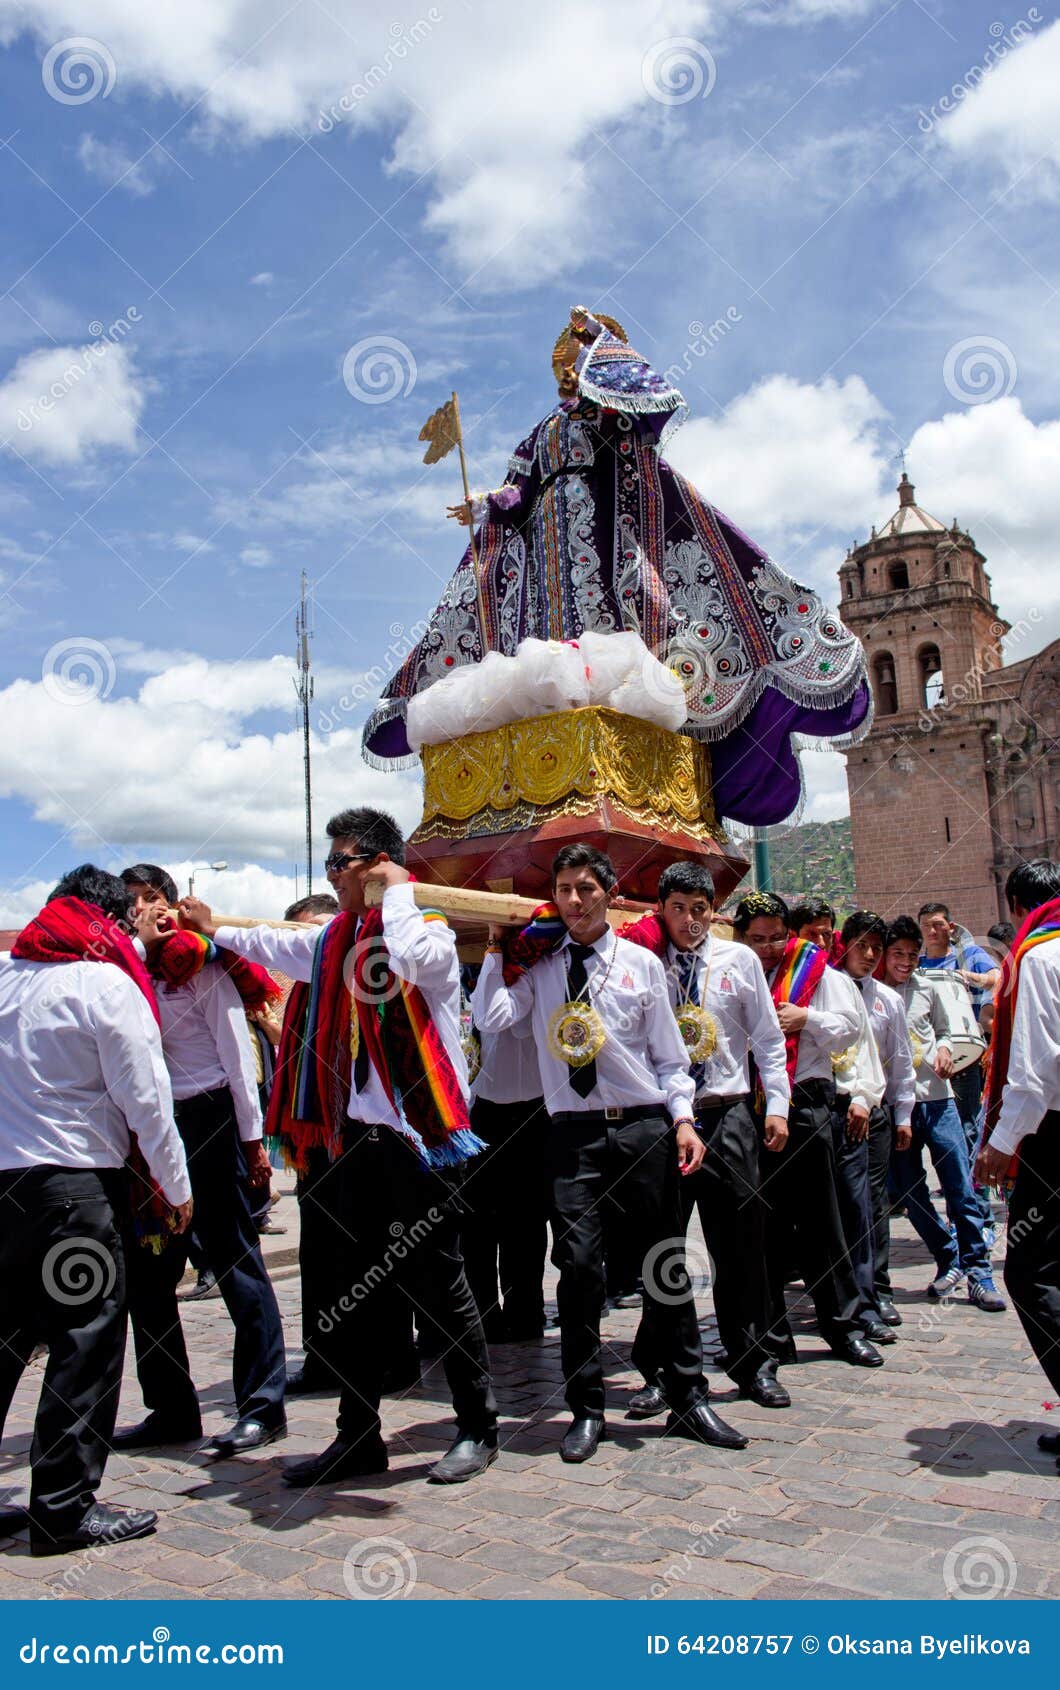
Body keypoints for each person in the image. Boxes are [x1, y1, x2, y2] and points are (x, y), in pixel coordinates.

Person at [363, 306, 869, 830]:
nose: (567, 372)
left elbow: (650, 401)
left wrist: (598, 337)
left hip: (607, 538)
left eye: (577, 363)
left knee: (606, 637)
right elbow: (522, 491)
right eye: (562, 365)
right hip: (545, 551)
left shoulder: (609, 419)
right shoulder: (541, 433)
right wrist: (485, 503)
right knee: (546, 646)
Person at [180, 807, 498, 1487]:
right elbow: (271, 944)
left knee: (439, 1288)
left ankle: (477, 1426)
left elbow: (411, 956)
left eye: (341, 862)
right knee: (352, 1295)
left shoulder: (429, 936)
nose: (331, 873)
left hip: (421, 1143)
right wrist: (215, 929)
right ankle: (359, 1436)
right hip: (351, 1144)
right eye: (329, 863)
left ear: (378, 864)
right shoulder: (332, 943)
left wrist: (400, 889)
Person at [473, 844, 748, 1461]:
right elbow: (490, 1016)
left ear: (608, 893)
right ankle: (586, 1407)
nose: (574, 900)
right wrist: (497, 946)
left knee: (663, 1265)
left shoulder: (641, 965)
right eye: (564, 889)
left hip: (642, 1129)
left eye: (586, 889)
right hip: (569, 1136)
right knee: (577, 1270)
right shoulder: (540, 969)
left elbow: (671, 1059)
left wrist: (682, 1120)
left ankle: (686, 1395)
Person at [0, 866, 191, 1556]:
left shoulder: (5, 976)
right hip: (73, 1191)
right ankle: (62, 1509)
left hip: (5, 1185)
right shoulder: (105, 981)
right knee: (85, 1341)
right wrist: (176, 1185)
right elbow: (146, 1099)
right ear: (112, 921)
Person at [113, 865, 288, 1457]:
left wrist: (252, 1141)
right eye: (133, 902)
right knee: (151, 1276)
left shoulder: (204, 964)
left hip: (210, 1118)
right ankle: (171, 1409)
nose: (146, 910)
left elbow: (237, 1057)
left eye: (154, 898)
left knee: (236, 1261)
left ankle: (262, 1406)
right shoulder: (123, 973)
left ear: (174, 903)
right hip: (152, 1129)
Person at [619, 862, 793, 1409]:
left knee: (741, 1244)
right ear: (661, 910)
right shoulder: (641, 965)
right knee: (664, 1248)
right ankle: (660, 1369)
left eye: (700, 909)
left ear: (713, 912)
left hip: (729, 1113)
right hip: (667, 1121)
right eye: (678, 908)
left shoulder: (738, 960)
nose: (690, 920)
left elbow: (766, 1038)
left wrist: (778, 1106)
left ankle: (753, 1363)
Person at [732, 892, 883, 1370]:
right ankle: (772, 1337)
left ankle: (845, 1326)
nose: (769, 948)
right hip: (752, 1106)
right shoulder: (737, 972)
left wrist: (806, 1018)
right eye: (758, 939)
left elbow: (851, 1028)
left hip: (805, 1104)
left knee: (823, 1222)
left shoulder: (816, 972)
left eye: (777, 937)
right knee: (764, 1228)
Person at [977, 859, 1060, 1462]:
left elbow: (1032, 1072)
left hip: (1052, 1139)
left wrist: (1002, 1144)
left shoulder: (1037, 958)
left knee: (1031, 1275)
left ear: (1014, 907)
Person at [881, 916, 1005, 1313]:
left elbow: (947, 1030)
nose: (905, 961)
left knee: (959, 1186)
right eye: (897, 953)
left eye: (911, 954)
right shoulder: (869, 994)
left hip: (937, 1099)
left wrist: (947, 1047)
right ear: (884, 955)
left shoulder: (928, 988)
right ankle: (947, 1253)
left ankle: (979, 1273)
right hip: (896, 1107)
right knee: (909, 1191)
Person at [834, 911, 915, 1327]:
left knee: (874, 1201)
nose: (867, 955)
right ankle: (844, 1291)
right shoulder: (824, 990)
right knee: (843, 1204)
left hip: (877, 1111)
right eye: (860, 945)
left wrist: (903, 1113)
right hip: (837, 1109)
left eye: (875, 949)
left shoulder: (889, 1000)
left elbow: (900, 1061)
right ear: (843, 944)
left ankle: (878, 1289)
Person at [462, 1022, 548, 1344]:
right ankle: (483, 1315)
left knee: (526, 1220)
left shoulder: (526, 976)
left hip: (531, 1108)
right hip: (479, 1110)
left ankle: (525, 1311)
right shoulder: (472, 983)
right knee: (476, 1223)